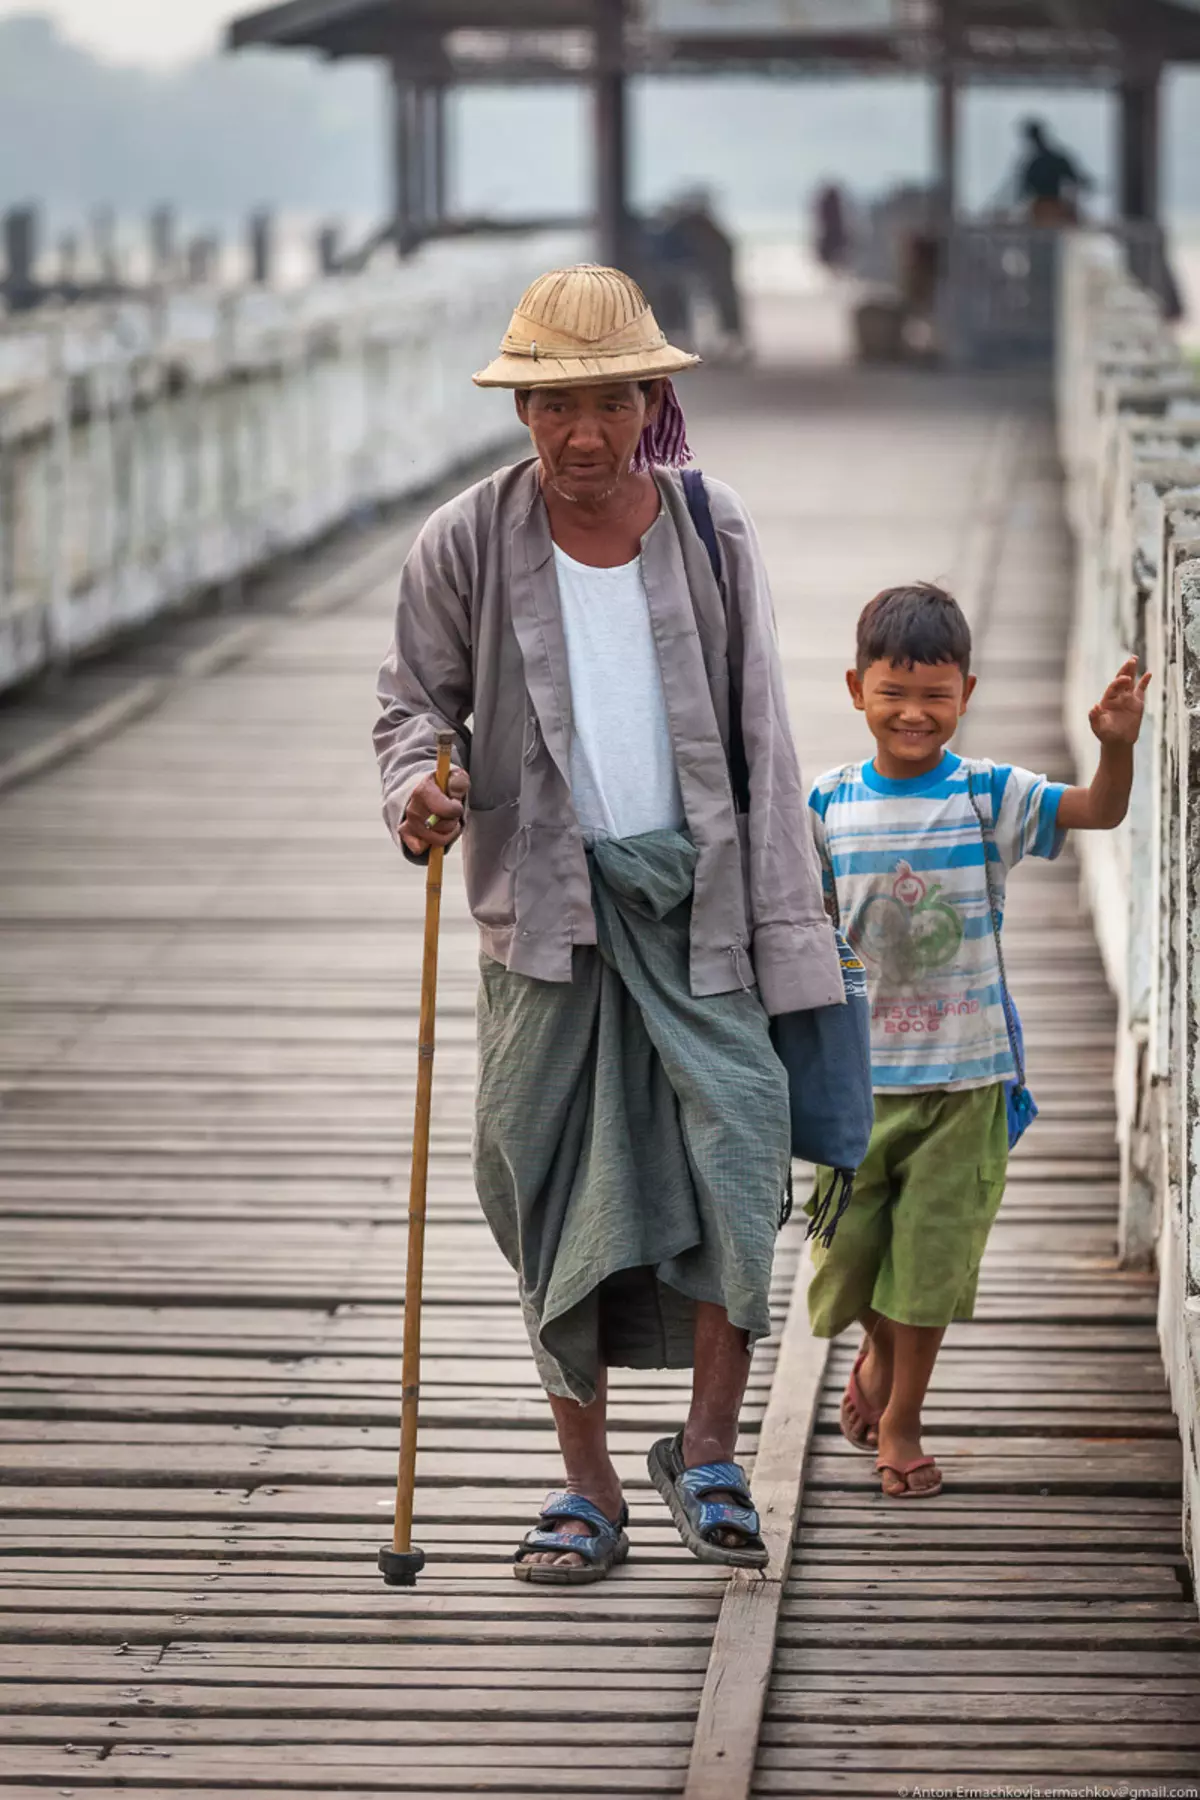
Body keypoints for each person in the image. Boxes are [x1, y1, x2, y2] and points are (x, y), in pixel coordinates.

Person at [374, 263, 843, 1581]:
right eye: (551, 405)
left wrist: (789, 910)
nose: (582, 433)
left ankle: (706, 1450)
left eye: (607, 402)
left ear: (652, 401)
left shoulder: (709, 526)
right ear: (520, 412)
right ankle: (586, 1484)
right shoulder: (464, 540)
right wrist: (420, 786)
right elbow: (413, 702)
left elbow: (764, 722)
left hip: (701, 903)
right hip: (549, 917)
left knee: (738, 1157)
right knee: (539, 1179)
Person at [806, 583, 1150, 1499]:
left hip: (968, 1080)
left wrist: (1115, 749)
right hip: (855, 1087)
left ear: (967, 690)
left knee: (931, 1255)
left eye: (935, 694)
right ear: (855, 689)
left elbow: (1099, 813)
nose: (913, 713)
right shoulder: (825, 807)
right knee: (853, 1259)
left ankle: (904, 1418)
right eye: (892, 693)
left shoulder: (988, 793)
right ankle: (874, 1362)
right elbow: (786, 924)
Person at [1016, 118, 1092, 226]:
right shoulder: (1037, 163)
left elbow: (1024, 190)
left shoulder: (1036, 163)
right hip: (1044, 207)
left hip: (1051, 206)